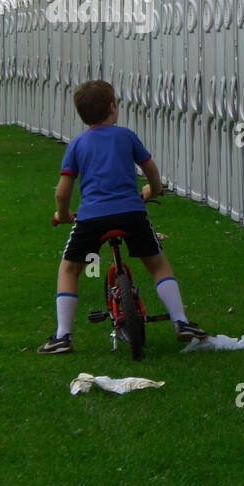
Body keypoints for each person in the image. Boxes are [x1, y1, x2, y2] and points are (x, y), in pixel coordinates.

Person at [41, 79, 206, 353]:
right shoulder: (126, 136)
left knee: (69, 270)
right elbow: (151, 171)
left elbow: (62, 192)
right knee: (158, 265)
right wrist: (152, 191)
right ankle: (181, 321)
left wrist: (64, 214)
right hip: (131, 212)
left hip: (91, 217)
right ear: (113, 108)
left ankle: (63, 336)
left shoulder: (77, 145)